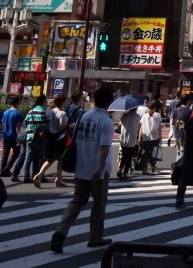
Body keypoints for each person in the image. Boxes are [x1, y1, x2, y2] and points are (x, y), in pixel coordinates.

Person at [49, 87, 115, 254]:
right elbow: (104, 147)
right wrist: (100, 168)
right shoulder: (106, 121)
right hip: (98, 171)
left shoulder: (84, 117)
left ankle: (60, 231)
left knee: (77, 201)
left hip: (81, 166)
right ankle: (95, 238)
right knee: (99, 205)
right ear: (109, 101)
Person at [33, 95, 69, 188]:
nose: (66, 103)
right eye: (65, 101)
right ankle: (47, 176)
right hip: (59, 138)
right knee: (60, 159)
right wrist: (69, 126)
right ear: (62, 102)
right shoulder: (62, 113)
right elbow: (61, 126)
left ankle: (53, 178)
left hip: (49, 137)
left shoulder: (49, 111)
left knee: (50, 158)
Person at [18, 94, 50, 183]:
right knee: (42, 157)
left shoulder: (31, 111)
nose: (47, 102)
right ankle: (39, 175)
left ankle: (26, 176)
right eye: (46, 100)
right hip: (41, 137)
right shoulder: (46, 111)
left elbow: (25, 123)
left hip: (30, 136)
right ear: (43, 101)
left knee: (28, 157)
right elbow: (48, 124)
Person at [0, 96, 24, 177]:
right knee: (17, 152)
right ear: (17, 102)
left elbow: (2, 124)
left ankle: (2, 170)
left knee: (5, 153)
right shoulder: (18, 113)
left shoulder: (5, 112)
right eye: (20, 101)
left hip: (6, 135)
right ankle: (7, 168)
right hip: (14, 136)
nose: (21, 102)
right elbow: (18, 127)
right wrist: (19, 138)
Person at [116, 104, 141, 179]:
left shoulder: (124, 115)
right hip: (132, 138)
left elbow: (121, 124)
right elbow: (138, 127)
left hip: (123, 138)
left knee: (124, 156)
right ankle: (125, 173)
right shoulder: (137, 116)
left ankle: (120, 170)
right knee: (129, 157)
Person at [139, 101, 163, 174]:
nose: (151, 110)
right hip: (146, 137)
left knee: (153, 153)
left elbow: (159, 127)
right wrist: (139, 138)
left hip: (155, 137)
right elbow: (141, 127)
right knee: (145, 153)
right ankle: (144, 169)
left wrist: (160, 137)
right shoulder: (144, 116)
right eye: (150, 108)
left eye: (152, 109)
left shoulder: (157, 115)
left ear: (154, 109)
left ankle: (152, 167)